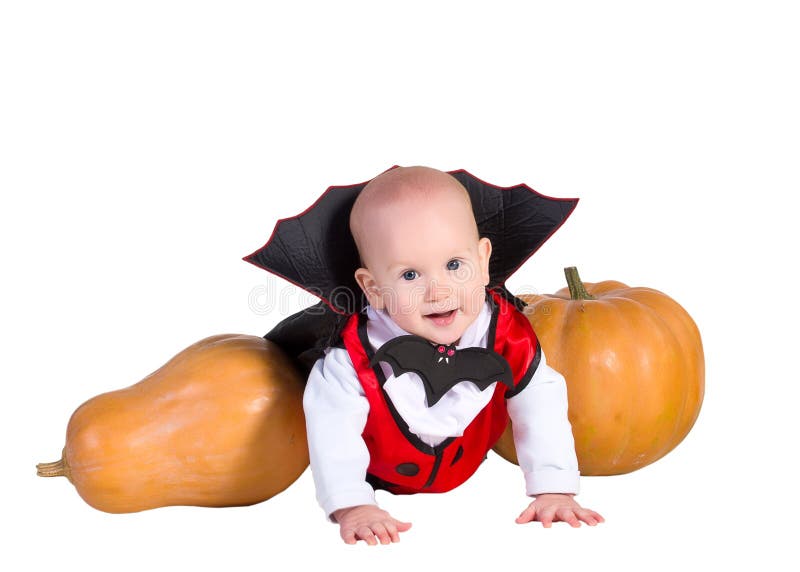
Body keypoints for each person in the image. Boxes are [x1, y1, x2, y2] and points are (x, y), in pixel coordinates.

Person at [302, 166, 604, 546]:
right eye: (410, 275)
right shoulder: (350, 358)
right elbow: (333, 431)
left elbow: (540, 403)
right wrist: (352, 504)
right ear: (373, 288)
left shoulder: (507, 335)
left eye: (454, 265)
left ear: (482, 261)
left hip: (469, 462)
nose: (437, 291)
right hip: (380, 474)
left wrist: (554, 487)